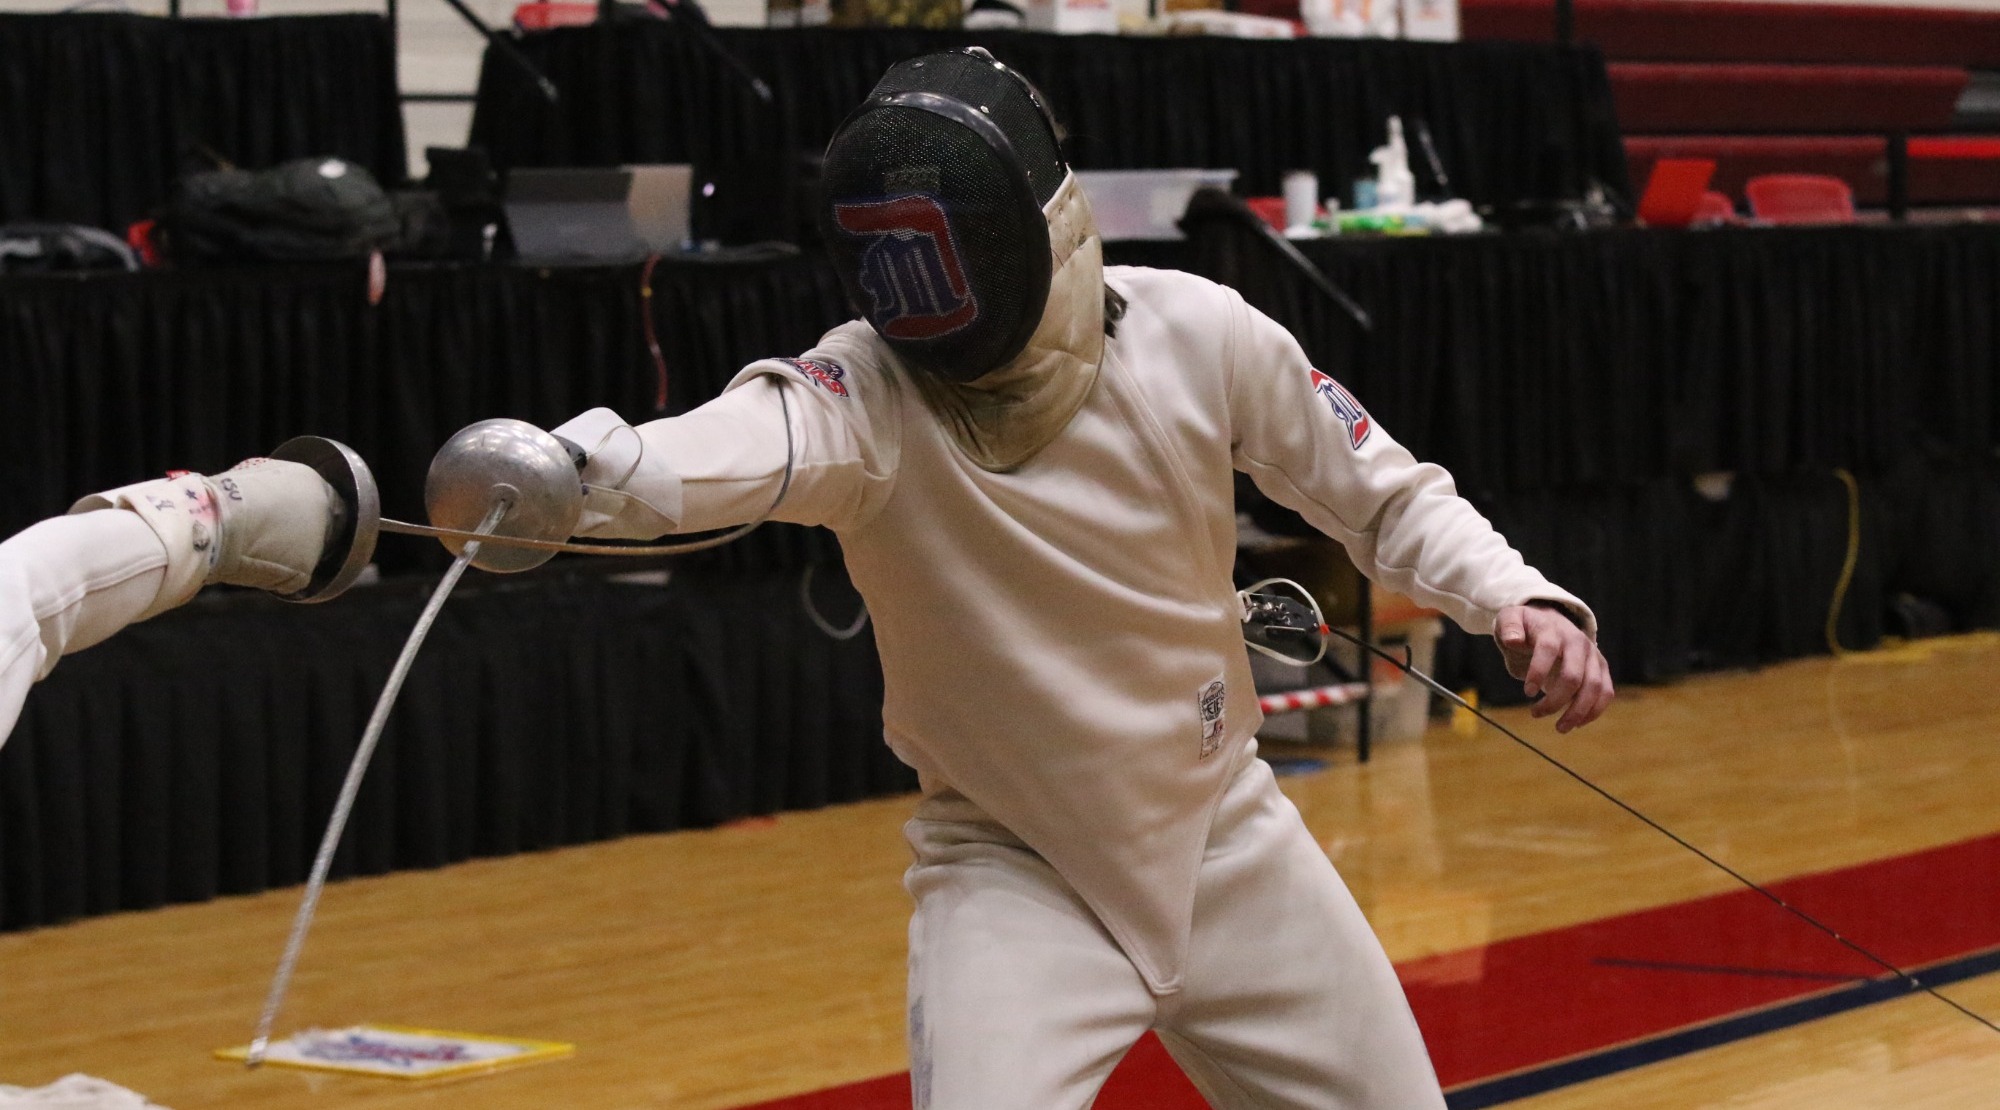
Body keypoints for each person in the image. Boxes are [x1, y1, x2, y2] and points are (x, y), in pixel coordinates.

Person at [0, 49, 1612, 1109]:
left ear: (1045, 244)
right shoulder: (865, 397)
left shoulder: (1204, 335)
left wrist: (1517, 600)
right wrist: (572, 472)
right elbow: (700, 452)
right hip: (1021, 878)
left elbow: (1384, 490)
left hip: (1230, 839)